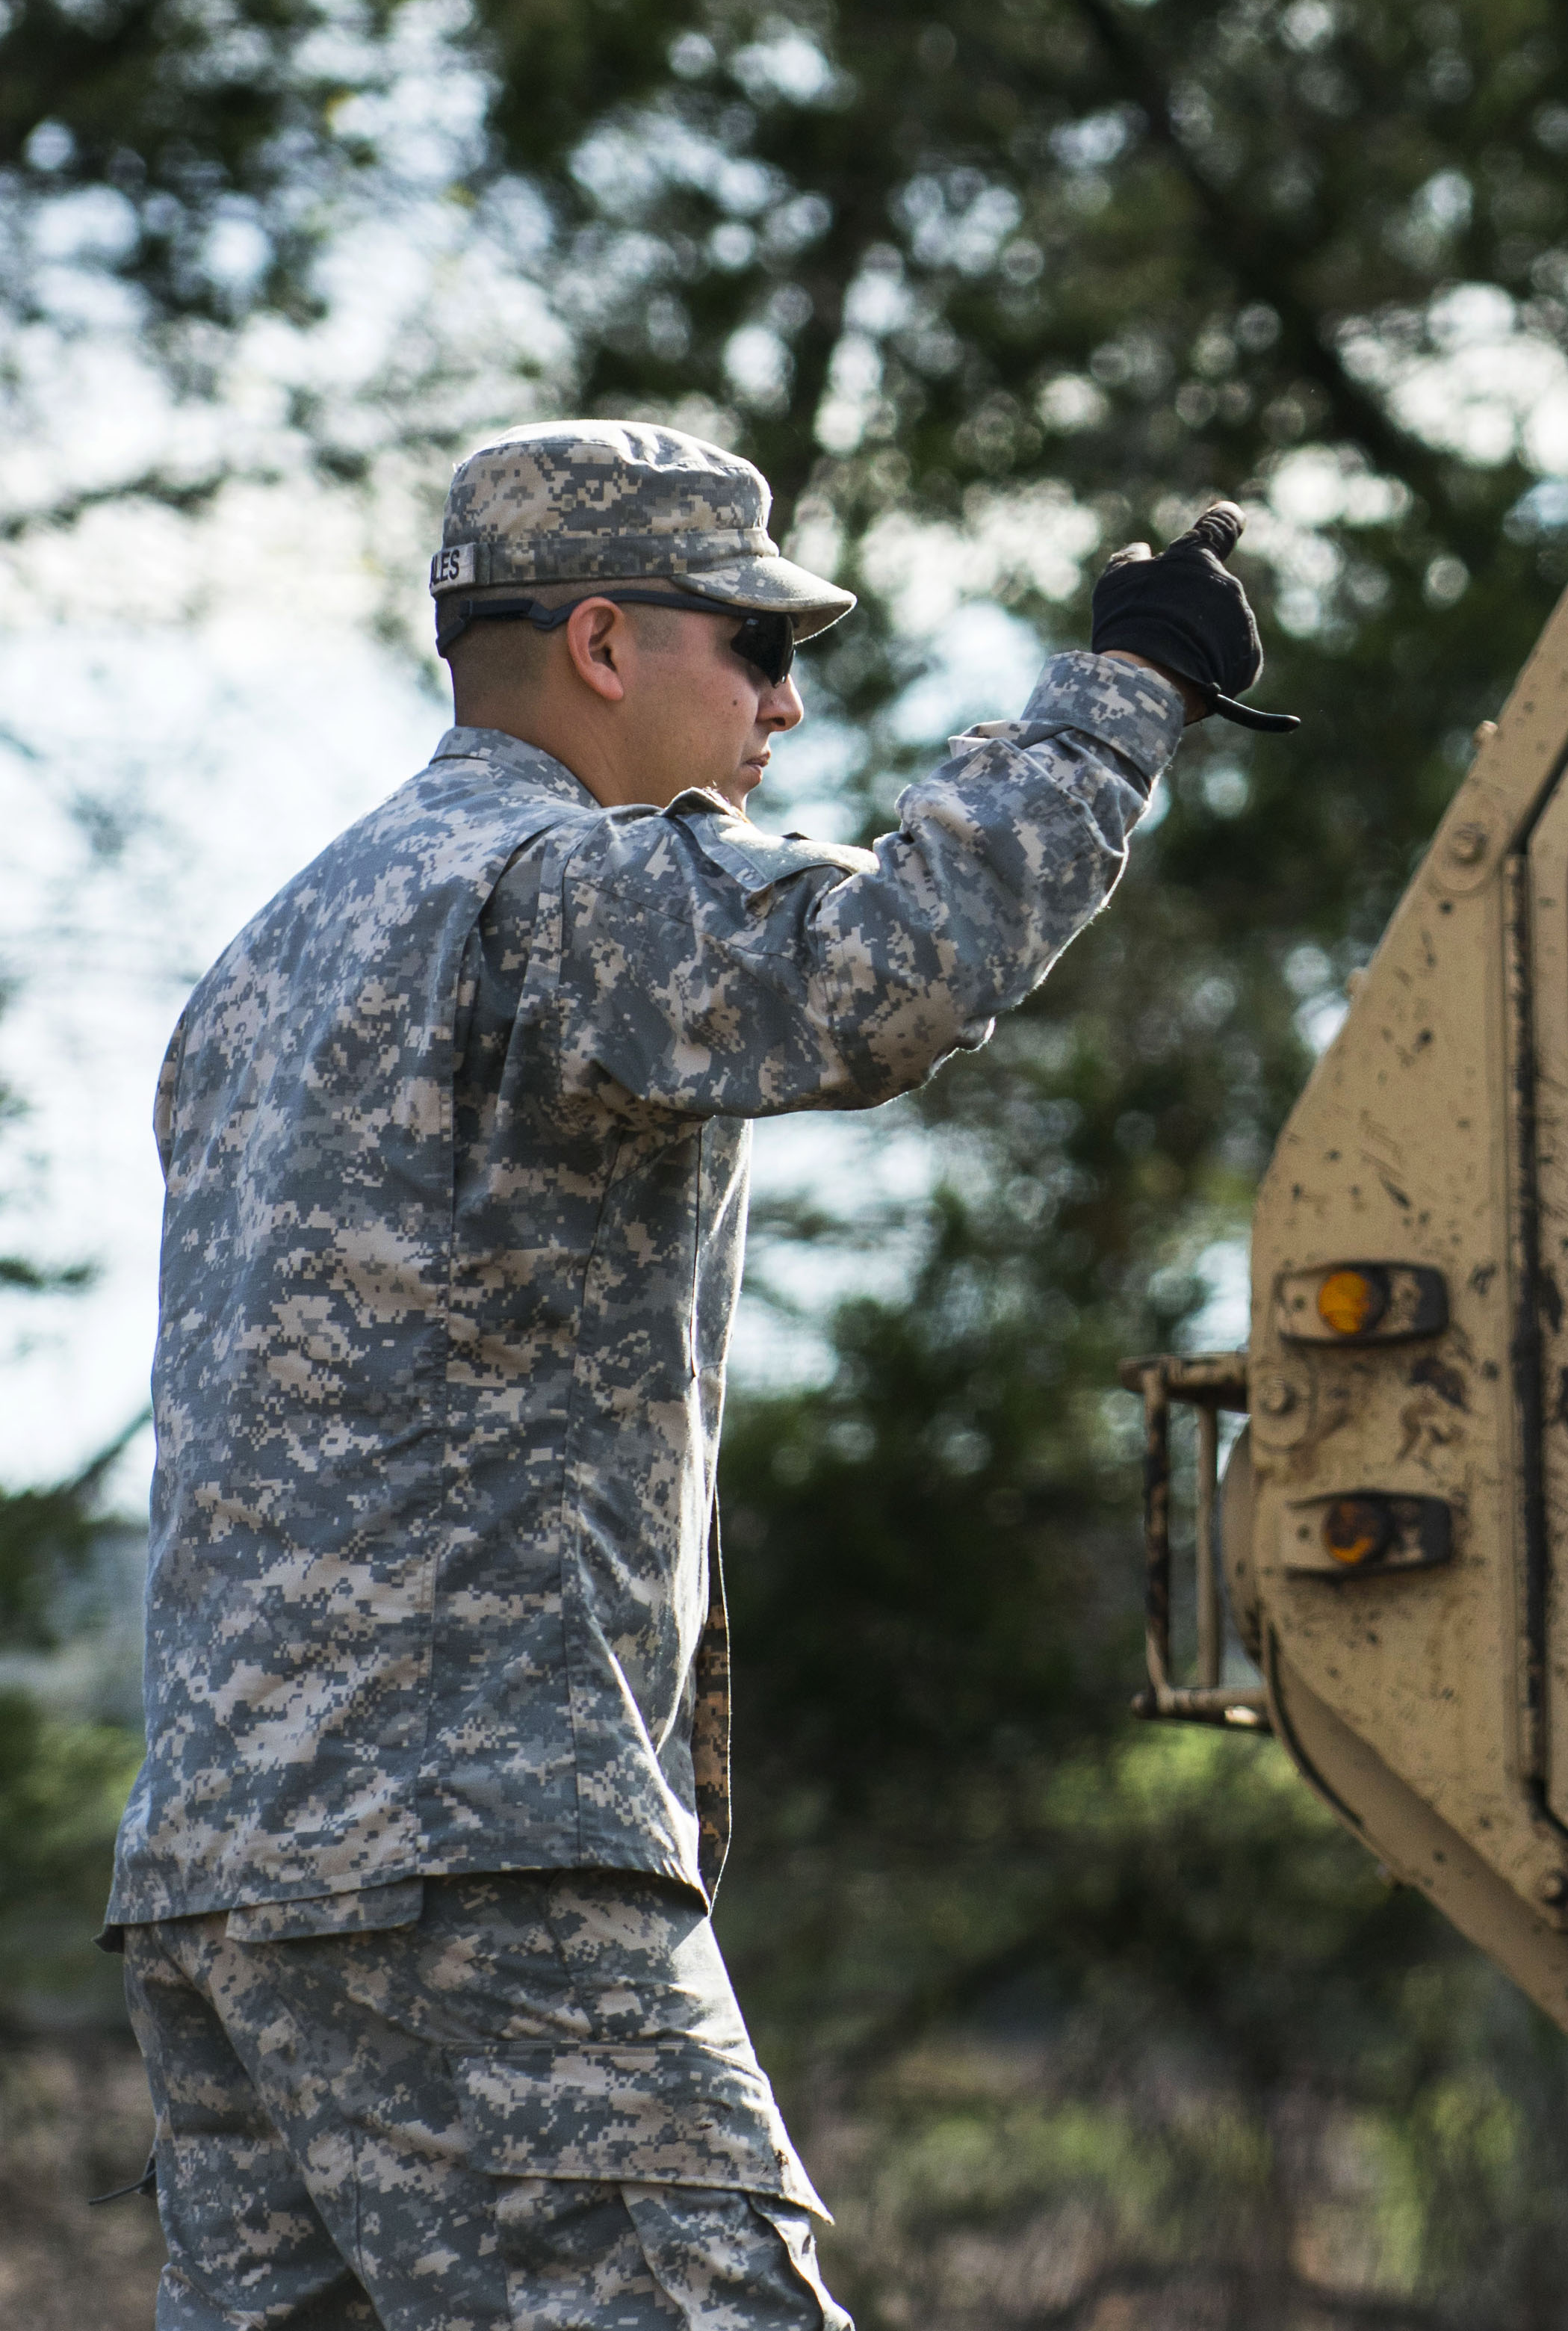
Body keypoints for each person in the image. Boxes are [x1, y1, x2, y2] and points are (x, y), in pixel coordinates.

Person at [100, 418, 1289, 2330]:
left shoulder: (265, 961)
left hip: (220, 1886)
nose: (789, 706)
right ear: (598, 643)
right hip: (469, 1854)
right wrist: (1120, 697)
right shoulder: (548, 886)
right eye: (754, 648)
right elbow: (894, 966)